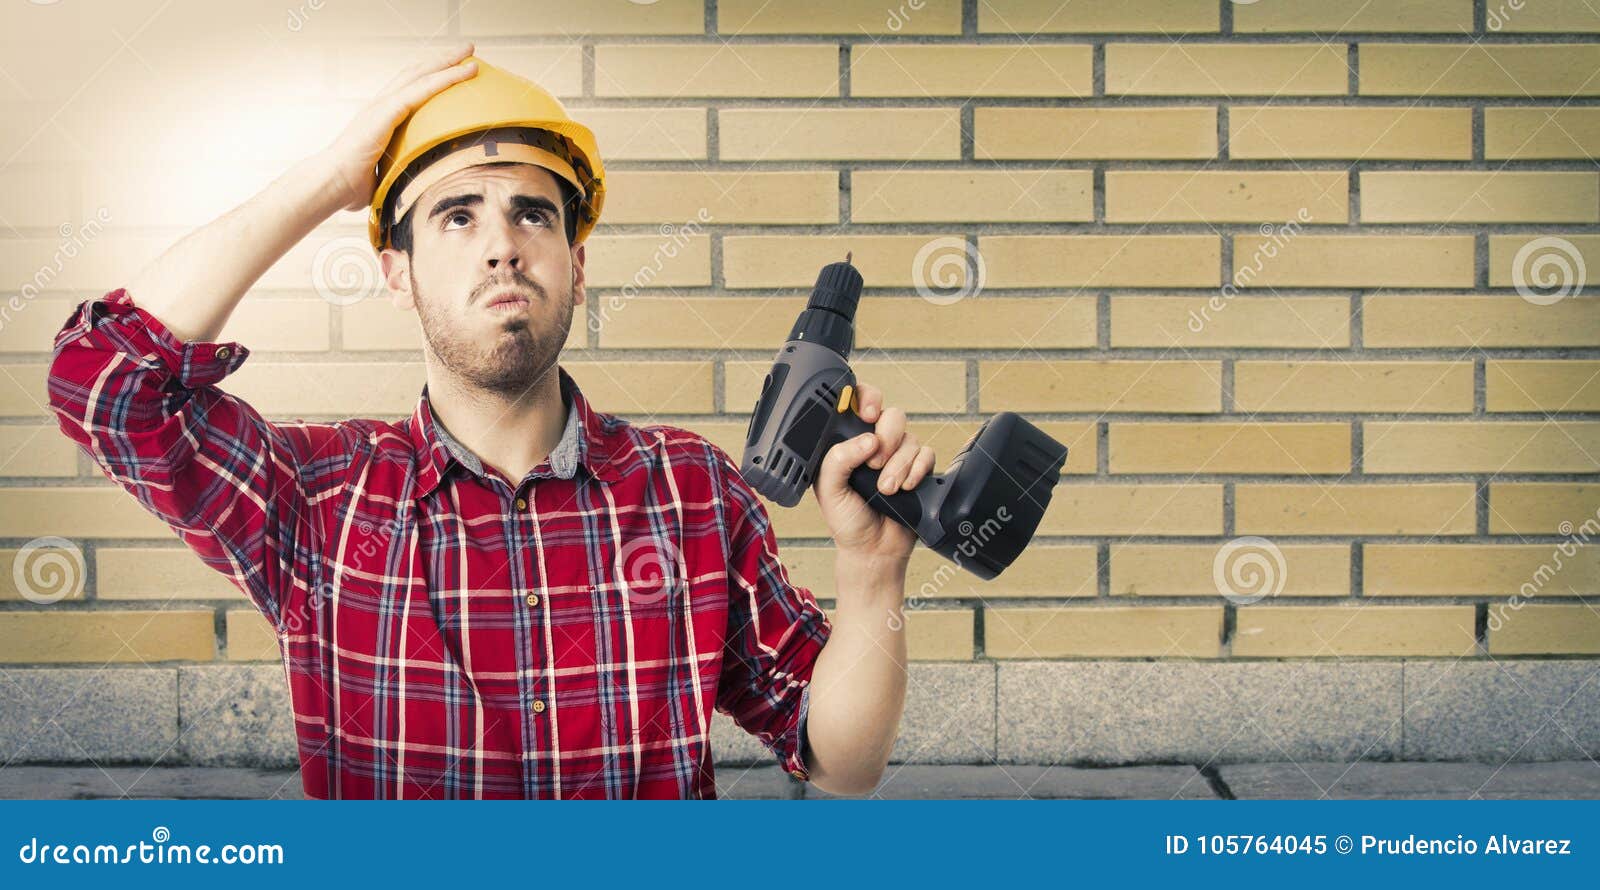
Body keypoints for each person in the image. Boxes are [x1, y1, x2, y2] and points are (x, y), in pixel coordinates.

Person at [45, 44, 935, 799]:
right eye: (457, 215)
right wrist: (328, 180)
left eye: (530, 214)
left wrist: (870, 573)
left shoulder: (690, 489)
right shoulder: (319, 495)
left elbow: (840, 763)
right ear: (398, 275)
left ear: (576, 262)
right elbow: (101, 380)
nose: (502, 242)